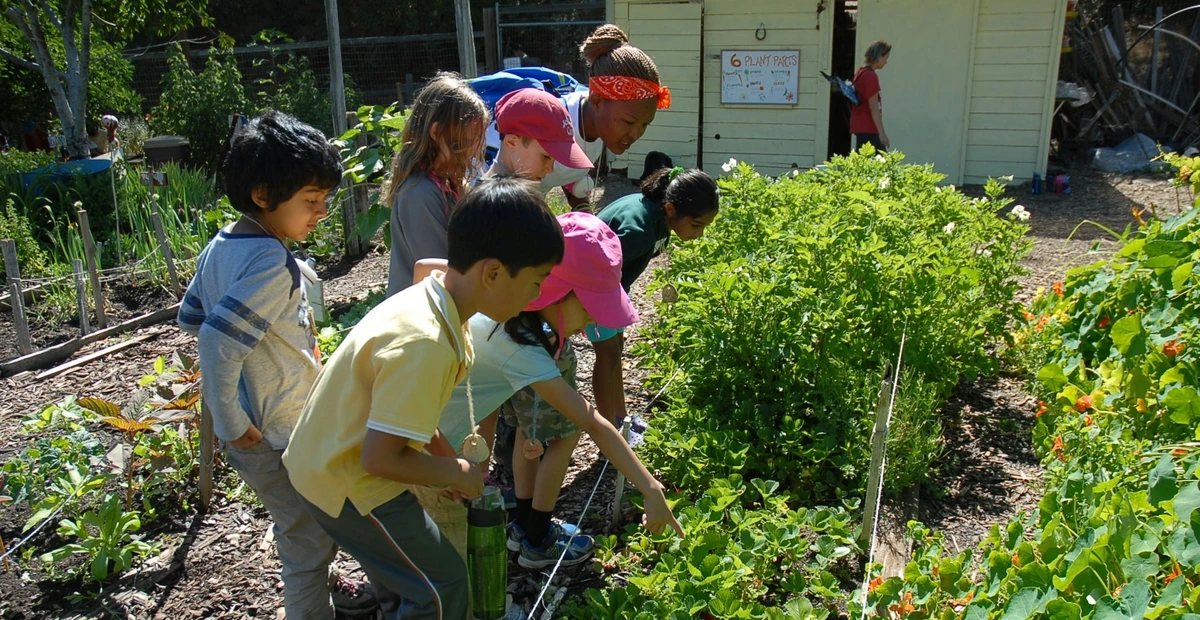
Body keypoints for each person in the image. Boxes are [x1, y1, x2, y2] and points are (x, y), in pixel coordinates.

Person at [283, 177, 566, 620]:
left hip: (330, 461)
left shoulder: (435, 303)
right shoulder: (427, 342)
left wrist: (443, 463)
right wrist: (456, 471)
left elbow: (412, 414)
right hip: (348, 482)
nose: (539, 295)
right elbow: (380, 458)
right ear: (493, 273)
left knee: (408, 579)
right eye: (536, 280)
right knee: (442, 585)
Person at [177, 111, 377, 620]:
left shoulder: (223, 244)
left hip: (265, 429)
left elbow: (193, 316)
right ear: (264, 195)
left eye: (325, 201)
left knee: (310, 521)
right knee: (305, 542)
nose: (321, 213)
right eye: (311, 202)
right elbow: (219, 342)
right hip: (273, 434)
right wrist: (231, 417)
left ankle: (330, 587)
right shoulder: (269, 261)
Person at [422, 211, 684, 570]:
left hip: (425, 442)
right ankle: (529, 550)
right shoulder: (523, 351)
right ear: (551, 291)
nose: (594, 320)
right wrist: (650, 488)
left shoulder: (488, 297)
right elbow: (593, 424)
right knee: (451, 580)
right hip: (426, 459)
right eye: (591, 307)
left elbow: (425, 267)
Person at [483, 23, 671, 210]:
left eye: (645, 124)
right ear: (597, 100)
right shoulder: (550, 123)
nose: (636, 134)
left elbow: (569, 171)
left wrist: (583, 210)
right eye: (629, 122)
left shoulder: (597, 125)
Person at [589, 167, 718, 429]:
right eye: (696, 225)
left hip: (612, 291)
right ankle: (608, 433)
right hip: (592, 291)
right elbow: (594, 271)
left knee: (616, 350)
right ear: (671, 208)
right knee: (608, 356)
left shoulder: (656, 215)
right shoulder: (638, 231)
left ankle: (621, 418)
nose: (699, 234)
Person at [386, 73, 490, 296]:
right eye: (468, 139)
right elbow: (439, 273)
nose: (474, 150)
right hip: (418, 318)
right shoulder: (419, 194)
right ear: (436, 133)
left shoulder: (451, 184)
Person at [487, 88, 594, 183]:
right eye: (546, 156)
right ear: (512, 142)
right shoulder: (495, 203)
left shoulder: (519, 197)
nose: (550, 169)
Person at [851, 40, 892, 152]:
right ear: (879, 56)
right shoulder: (870, 76)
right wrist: (882, 133)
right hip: (869, 127)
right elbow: (874, 107)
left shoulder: (860, 72)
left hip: (861, 125)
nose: (886, 61)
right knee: (880, 163)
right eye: (885, 58)